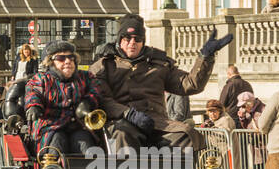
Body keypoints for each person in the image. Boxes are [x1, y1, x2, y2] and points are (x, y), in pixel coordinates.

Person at [90, 13, 226, 149]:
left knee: (187, 134)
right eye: (127, 38)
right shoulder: (104, 66)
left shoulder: (159, 64)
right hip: (122, 120)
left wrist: (205, 58)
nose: (132, 43)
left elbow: (190, 85)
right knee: (123, 134)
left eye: (137, 39)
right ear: (119, 40)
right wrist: (127, 113)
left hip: (156, 123)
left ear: (143, 42)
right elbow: (102, 98)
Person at [24, 41, 104, 154]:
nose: (67, 61)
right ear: (50, 62)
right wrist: (33, 106)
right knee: (57, 143)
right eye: (61, 58)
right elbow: (32, 92)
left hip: (78, 126)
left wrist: (88, 102)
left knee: (86, 145)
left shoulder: (85, 76)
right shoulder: (41, 79)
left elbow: (97, 89)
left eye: (71, 57)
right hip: (51, 127)